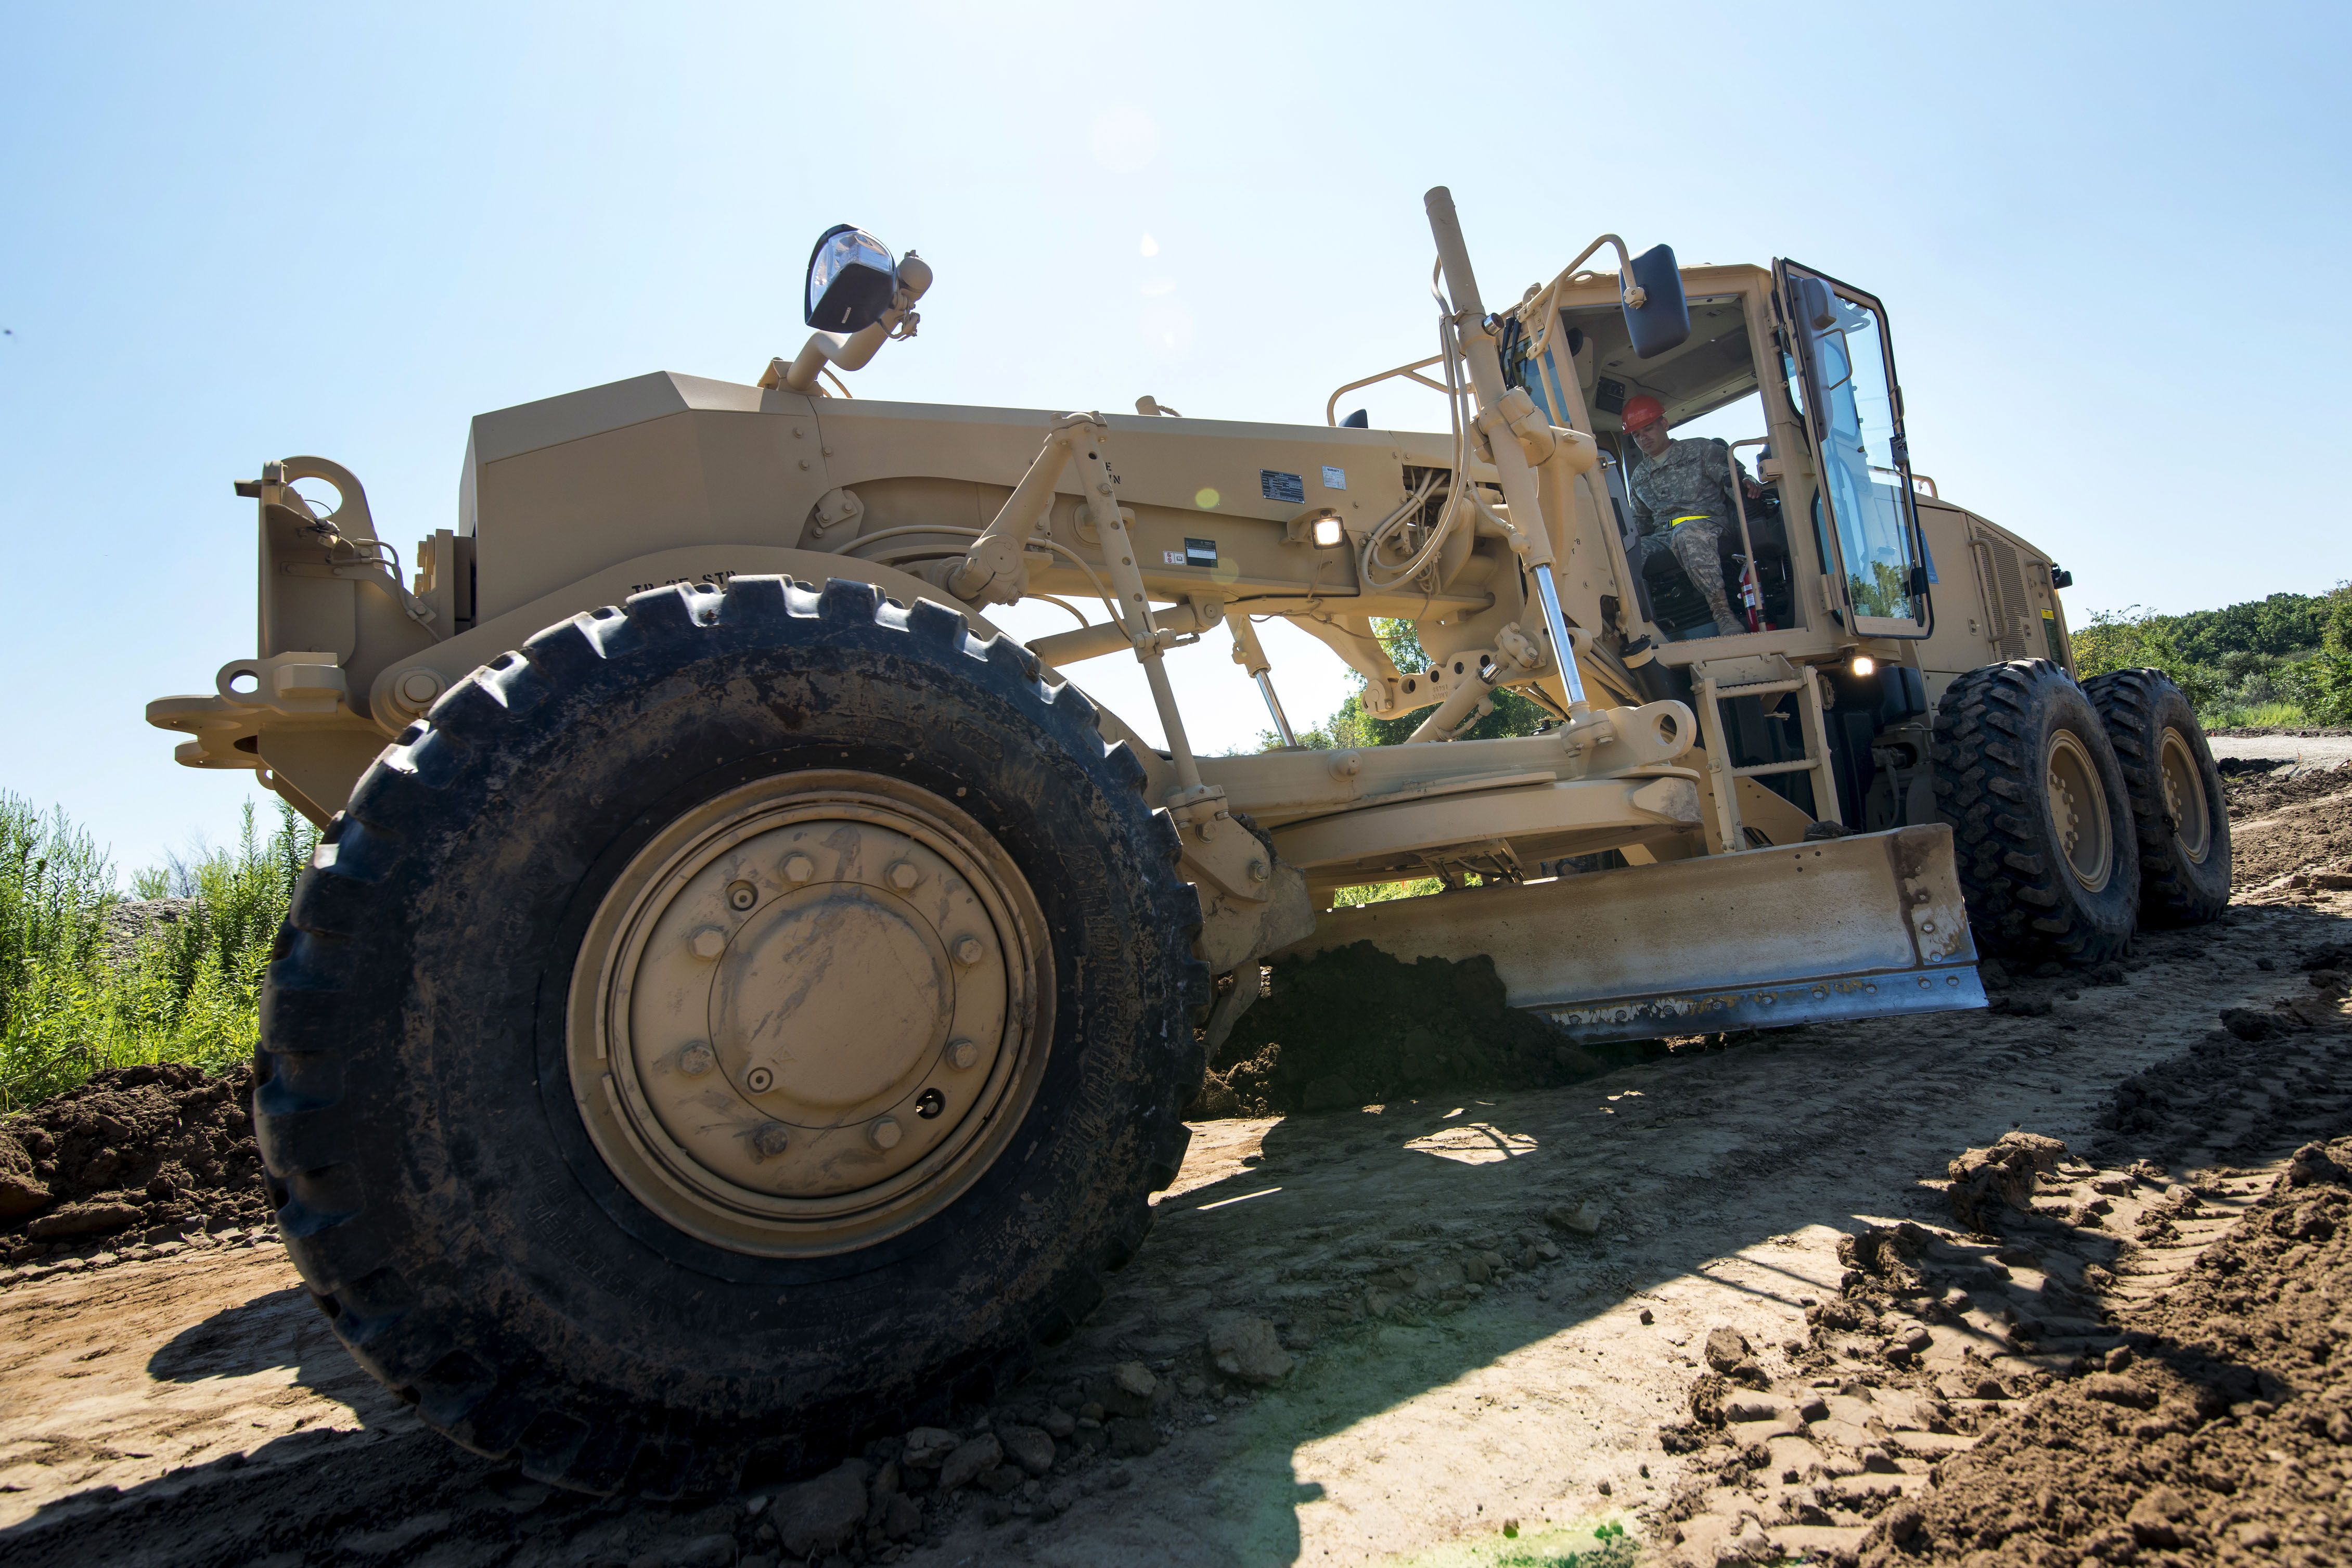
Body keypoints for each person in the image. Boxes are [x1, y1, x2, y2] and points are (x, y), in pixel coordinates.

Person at [1621, 394, 1762, 637]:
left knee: (1686, 533)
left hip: (1708, 524)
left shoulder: (1700, 450)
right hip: (1664, 534)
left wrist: (1748, 482)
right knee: (1626, 551)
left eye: (1648, 428)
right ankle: (1637, 624)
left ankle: (1723, 614)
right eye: (1636, 435)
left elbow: (1734, 480)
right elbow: (1640, 523)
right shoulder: (1640, 476)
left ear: (1664, 425)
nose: (1643, 437)